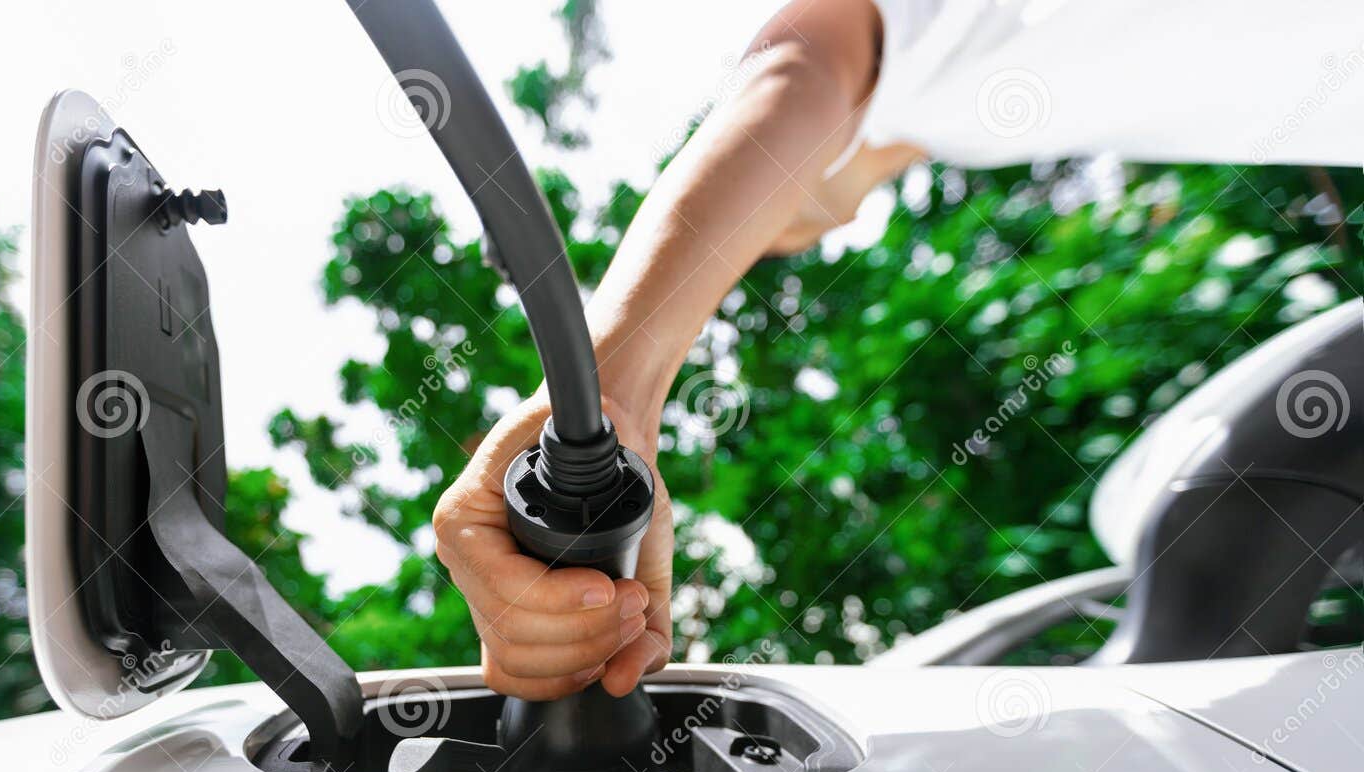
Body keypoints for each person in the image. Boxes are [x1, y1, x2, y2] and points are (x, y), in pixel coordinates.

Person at [431, 0, 1364, 702]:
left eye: (786, 227)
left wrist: (611, 393)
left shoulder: (950, 60)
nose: (810, 226)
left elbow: (812, 65)